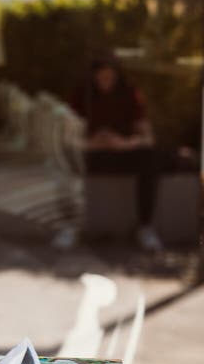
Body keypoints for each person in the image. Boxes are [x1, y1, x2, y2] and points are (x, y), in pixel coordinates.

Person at [68, 55, 163, 251]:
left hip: (122, 154)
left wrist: (124, 143)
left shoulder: (130, 95)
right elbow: (65, 138)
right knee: (64, 162)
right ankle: (69, 226)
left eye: (110, 77)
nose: (105, 82)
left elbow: (148, 138)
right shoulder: (81, 96)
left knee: (149, 158)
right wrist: (89, 143)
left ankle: (145, 227)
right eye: (101, 77)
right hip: (90, 155)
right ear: (94, 77)